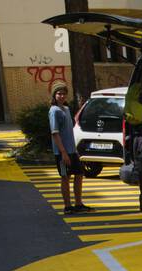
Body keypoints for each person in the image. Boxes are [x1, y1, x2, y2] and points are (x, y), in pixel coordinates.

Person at [48, 82, 91, 214]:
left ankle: (78, 204)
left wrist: (75, 150)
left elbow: (69, 132)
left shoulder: (66, 109)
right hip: (62, 152)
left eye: (64, 94)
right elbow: (55, 133)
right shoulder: (54, 111)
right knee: (65, 177)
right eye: (59, 93)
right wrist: (63, 153)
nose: (61, 96)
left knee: (79, 174)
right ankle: (67, 206)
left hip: (72, 151)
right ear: (54, 95)